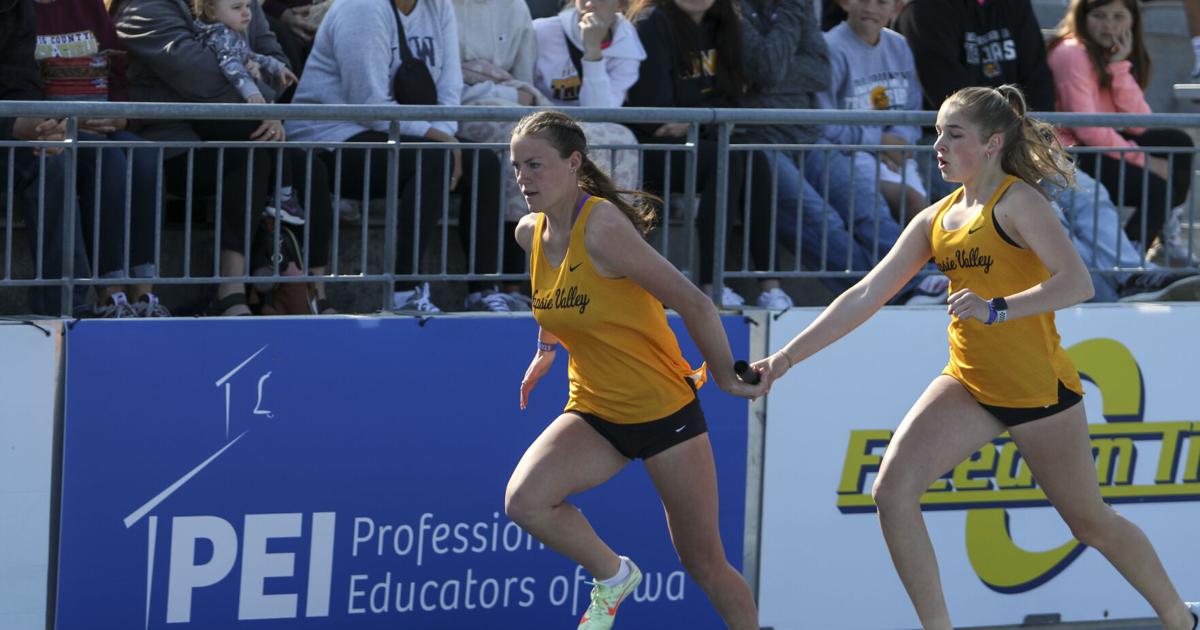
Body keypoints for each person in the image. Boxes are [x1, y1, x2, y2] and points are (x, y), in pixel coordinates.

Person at [753, 85, 1200, 630]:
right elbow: (866, 294)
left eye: (953, 134)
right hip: (968, 383)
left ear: (992, 143)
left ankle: (1180, 618)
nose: (937, 144)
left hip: (1037, 390)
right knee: (892, 493)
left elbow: (1078, 283)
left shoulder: (1019, 202)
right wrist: (784, 360)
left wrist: (999, 308)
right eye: (937, 132)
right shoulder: (934, 218)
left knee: (1090, 523)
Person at [505, 110, 765, 630]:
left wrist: (724, 375)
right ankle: (613, 575)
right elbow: (558, 303)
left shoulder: (602, 226)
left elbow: (695, 303)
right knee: (526, 502)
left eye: (535, 165)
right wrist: (546, 347)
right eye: (516, 167)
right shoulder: (529, 233)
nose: (523, 178)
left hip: (664, 412)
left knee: (705, 563)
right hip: (595, 410)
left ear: (573, 162)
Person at [896, 0, 1200, 302]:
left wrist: (1020, 135)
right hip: (965, 146)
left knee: (1088, 194)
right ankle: (1101, 293)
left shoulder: (1015, 6)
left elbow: (1038, 80)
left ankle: (1132, 275)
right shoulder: (925, 11)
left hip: (1018, 139)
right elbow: (947, 93)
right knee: (1049, 214)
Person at [114, 0, 335, 316]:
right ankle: (231, 291)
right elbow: (200, 79)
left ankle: (314, 294)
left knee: (308, 167)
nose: (244, 10)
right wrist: (260, 103)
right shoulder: (145, 7)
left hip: (245, 127)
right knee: (251, 155)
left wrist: (260, 100)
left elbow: (278, 62)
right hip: (177, 144)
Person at [288, 0, 506, 312]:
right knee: (432, 157)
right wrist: (441, 139)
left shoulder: (438, 7)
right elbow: (369, 105)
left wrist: (445, 135)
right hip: (329, 140)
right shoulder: (361, 8)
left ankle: (483, 291)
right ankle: (406, 292)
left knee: (483, 162)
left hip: (398, 133)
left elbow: (449, 88)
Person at [738, 0, 946, 305]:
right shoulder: (734, 10)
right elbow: (766, 69)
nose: (871, 8)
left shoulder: (798, 5)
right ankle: (897, 290)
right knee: (817, 217)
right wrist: (774, 71)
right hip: (756, 138)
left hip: (806, 135)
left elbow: (816, 72)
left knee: (865, 203)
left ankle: (915, 281)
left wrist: (769, 74)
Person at [33, 0, 168, 316]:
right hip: (50, 127)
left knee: (144, 156)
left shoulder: (88, 6)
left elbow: (117, 70)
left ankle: (144, 293)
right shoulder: (18, 11)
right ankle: (111, 292)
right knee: (108, 158)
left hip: (101, 119)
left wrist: (121, 118)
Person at [625, 0, 759, 308]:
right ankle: (712, 284)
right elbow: (656, 112)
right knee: (726, 160)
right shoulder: (651, 22)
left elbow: (734, 100)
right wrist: (704, 119)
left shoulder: (723, 23)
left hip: (698, 139)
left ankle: (770, 286)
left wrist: (694, 120)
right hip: (652, 150)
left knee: (754, 159)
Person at [1047, 0, 1194, 264]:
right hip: (1070, 154)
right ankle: (1130, 259)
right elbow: (1086, 128)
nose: (1109, 25)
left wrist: (1118, 67)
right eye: (1100, 16)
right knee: (1157, 187)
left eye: (1118, 16)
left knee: (1177, 141)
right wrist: (1145, 161)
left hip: (1095, 145)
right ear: (1082, 17)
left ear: (1133, 20)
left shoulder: (1111, 54)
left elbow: (1140, 124)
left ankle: (1163, 241)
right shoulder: (1072, 53)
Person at [817, 0, 928, 224]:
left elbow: (911, 109)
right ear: (845, 3)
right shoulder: (830, 47)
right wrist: (879, 141)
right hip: (849, 154)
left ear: (896, 9)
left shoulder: (899, 45)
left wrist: (900, 142)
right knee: (909, 204)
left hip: (895, 153)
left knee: (924, 215)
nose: (870, 8)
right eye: (863, 0)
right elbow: (823, 122)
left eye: (881, 2)